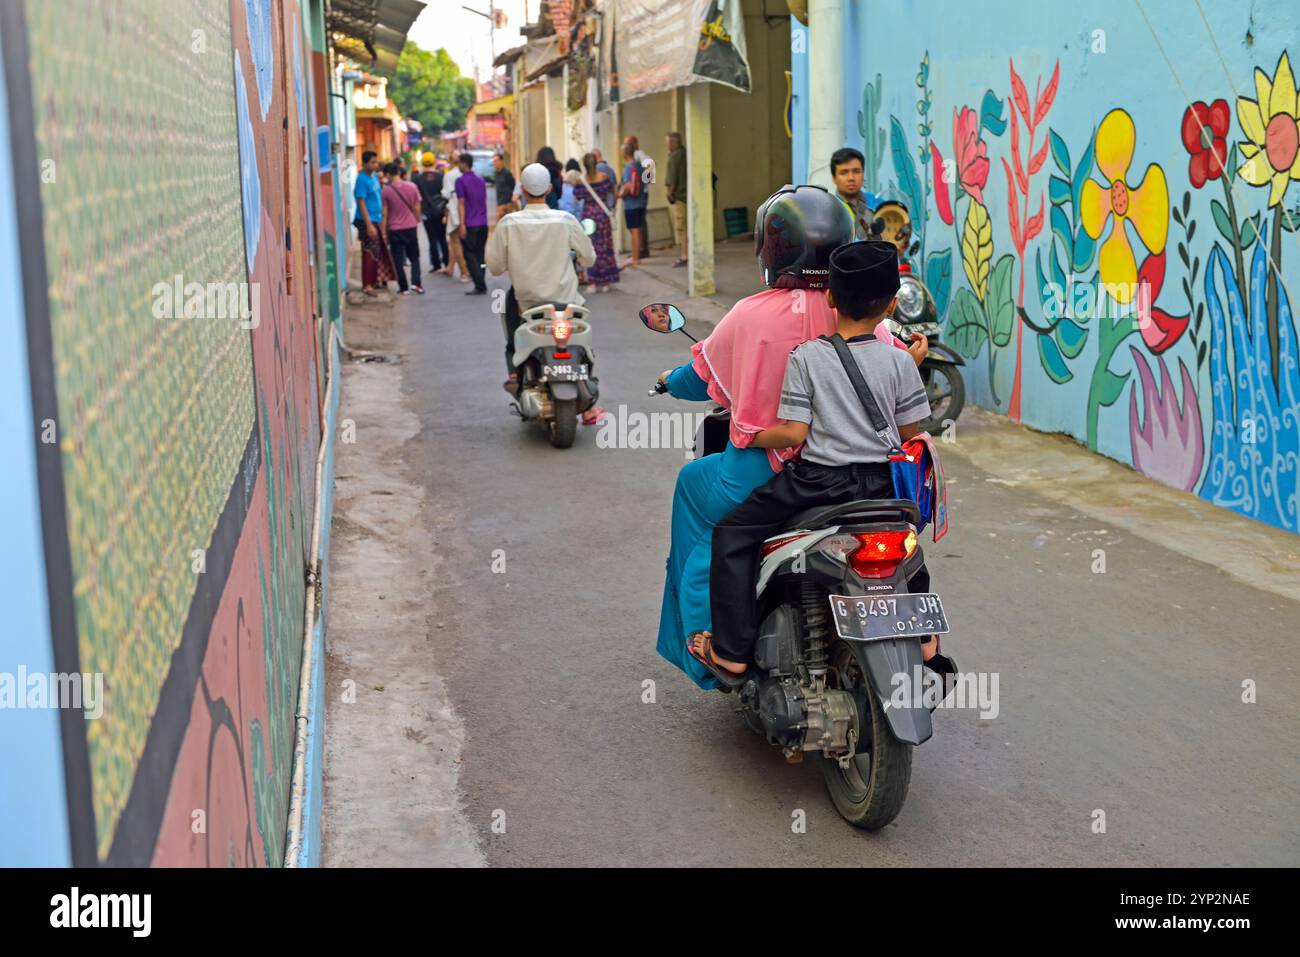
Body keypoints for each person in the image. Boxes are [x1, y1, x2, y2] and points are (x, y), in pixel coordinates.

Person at [652, 185, 930, 690]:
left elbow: (703, 380)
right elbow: (902, 410)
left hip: (769, 474)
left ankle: (713, 644)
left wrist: (675, 383)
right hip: (869, 476)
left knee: (706, 510)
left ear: (772, 248)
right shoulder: (870, 323)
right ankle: (925, 635)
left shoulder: (749, 314)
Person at [692, 239, 955, 681]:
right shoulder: (899, 361)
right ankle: (926, 642)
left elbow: (794, 433)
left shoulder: (808, 356)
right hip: (881, 485)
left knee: (733, 533)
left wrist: (748, 434)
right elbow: (911, 432)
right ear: (892, 304)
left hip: (817, 482)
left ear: (831, 297)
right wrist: (908, 365)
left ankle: (732, 650)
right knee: (905, 543)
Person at [485, 162, 597, 395]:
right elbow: (589, 259)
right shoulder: (566, 220)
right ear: (548, 189)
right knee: (584, 341)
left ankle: (515, 375)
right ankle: (586, 376)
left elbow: (495, 267)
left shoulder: (508, 223)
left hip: (526, 303)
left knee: (511, 336)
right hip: (567, 302)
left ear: (523, 191)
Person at [353, 149, 395, 296]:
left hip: (376, 219)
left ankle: (375, 280)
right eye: (372, 162)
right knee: (369, 252)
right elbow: (361, 202)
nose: (375, 165)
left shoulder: (374, 178)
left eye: (376, 162)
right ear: (365, 163)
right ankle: (367, 285)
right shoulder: (362, 180)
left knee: (377, 251)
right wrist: (369, 224)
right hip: (366, 221)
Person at [577, 152, 619, 292]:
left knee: (590, 248)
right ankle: (606, 281)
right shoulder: (604, 177)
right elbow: (613, 192)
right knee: (605, 247)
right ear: (596, 163)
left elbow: (577, 196)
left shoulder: (581, 180)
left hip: (588, 216)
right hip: (602, 216)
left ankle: (592, 283)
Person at [382, 163, 424, 295]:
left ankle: (404, 287)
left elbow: (385, 213)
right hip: (410, 227)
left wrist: (384, 231)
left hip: (394, 229)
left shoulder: (386, 191)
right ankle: (416, 284)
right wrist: (417, 219)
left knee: (398, 259)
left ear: (388, 174)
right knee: (414, 257)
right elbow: (417, 206)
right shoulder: (412, 187)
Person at [831, 147, 886, 240]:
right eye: (844, 172)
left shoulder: (878, 204)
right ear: (834, 178)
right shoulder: (830, 210)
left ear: (863, 174)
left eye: (856, 171)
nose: (851, 178)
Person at [455, 153, 490, 295]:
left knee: (469, 255)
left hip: (470, 223)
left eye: (459, 163)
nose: (458, 166)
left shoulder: (460, 181)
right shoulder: (481, 180)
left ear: (464, 163)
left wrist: (462, 224)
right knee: (480, 253)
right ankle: (481, 280)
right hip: (483, 222)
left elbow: (461, 203)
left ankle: (480, 284)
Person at [415, 152, 448, 272]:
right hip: (440, 211)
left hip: (426, 213)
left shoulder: (417, 179)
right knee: (442, 238)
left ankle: (436, 264)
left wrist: (417, 214)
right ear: (434, 162)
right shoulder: (441, 176)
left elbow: (416, 198)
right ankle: (447, 261)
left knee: (432, 239)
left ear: (422, 163)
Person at [441, 151, 471, 282]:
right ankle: (454, 267)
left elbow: (446, 194)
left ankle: (465, 271)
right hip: (469, 208)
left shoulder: (449, 176)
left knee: (455, 241)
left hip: (454, 208)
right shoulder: (469, 175)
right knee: (465, 242)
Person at [618, 142, 647, 268]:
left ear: (624, 154)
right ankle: (637, 255)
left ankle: (635, 258)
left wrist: (619, 195)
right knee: (638, 229)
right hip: (641, 201)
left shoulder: (628, 168)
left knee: (634, 231)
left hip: (631, 204)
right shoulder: (640, 166)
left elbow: (628, 187)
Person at [623, 135, 652, 259]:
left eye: (628, 143)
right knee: (638, 223)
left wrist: (645, 181)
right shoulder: (635, 155)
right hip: (640, 192)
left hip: (641, 193)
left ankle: (642, 249)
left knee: (640, 223)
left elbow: (650, 165)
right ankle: (639, 250)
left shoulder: (639, 154)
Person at [665, 132, 688, 268]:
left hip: (680, 197)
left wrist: (670, 194)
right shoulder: (686, 153)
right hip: (690, 196)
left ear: (673, 143)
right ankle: (688, 254)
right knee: (689, 227)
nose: (667, 145)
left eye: (667, 142)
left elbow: (671, 180)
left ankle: (684, 256)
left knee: (681, 227)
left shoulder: (674, 157)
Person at [534, 146, 564, 210]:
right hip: (553, 206)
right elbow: (559, 194)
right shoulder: (557, 172)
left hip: (538, 206)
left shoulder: (536, 171)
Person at [492, 153, 516, 220]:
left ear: (501, 161)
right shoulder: (497, 173)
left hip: (507, 204)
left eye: (496, 161)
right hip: (500, 203)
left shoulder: (507, 173)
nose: (494, 163)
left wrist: (506, 203)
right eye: (494, 161)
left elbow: (512, 186)